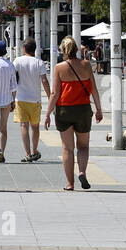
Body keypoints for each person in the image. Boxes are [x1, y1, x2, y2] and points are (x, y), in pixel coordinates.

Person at [44, 37, 103, 190]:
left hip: (64, 110)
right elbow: (94, 90)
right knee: (83, 146)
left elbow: (55, 93)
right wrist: (98, 109)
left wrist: (47, 114)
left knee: (67, 148)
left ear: (63, 51)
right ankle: (82, 172)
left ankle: (70, 183)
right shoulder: (86, 65)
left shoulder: (59, 68)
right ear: (77, 49)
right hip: (83, 109)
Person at [14, 38, 52, 163]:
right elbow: (44, 81)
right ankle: (35, 151)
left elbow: (12, 78)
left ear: (24, 48)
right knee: (35, 127)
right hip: (35, 99)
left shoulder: (17, 61)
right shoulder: (39, 62)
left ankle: (27, 153)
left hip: (20, 98)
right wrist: (49, 95)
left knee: (23, 125)